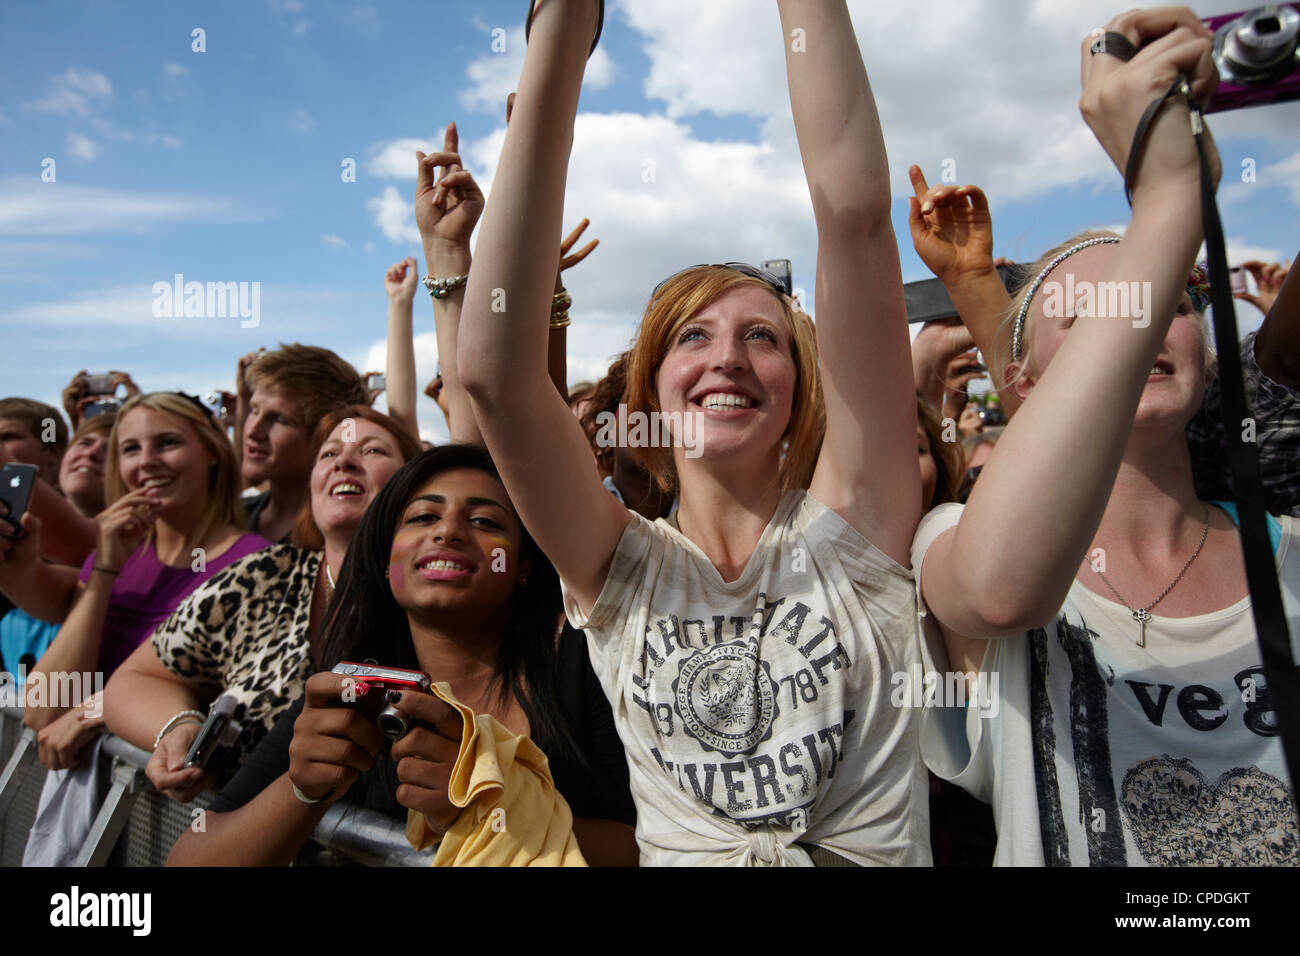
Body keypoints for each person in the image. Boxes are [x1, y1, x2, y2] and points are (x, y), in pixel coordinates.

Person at [457, 0, 926, 866]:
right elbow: (492, 369)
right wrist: (563, 29)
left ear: (801, 386)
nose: (729, 360)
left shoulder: (858, 525)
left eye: (763, 337)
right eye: (693, 337)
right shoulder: (616, 566)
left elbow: (857, 219)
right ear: (651, 389)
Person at [912, 8, 1298, 865]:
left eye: (1162, 300)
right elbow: (1003, 591)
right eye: (1087, 324)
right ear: (1028, 383)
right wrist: (1168, 201)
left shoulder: (1293, 556)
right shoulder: (954, 539)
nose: (1135, 326)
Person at [167, 445, 637, 866]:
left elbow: (662, 848)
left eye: (485, 521)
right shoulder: (351, 691)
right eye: (422, 518)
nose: (449, 531)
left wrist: (489, 805)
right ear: (386, 557)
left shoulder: (585, 663)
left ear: (523, 568)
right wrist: (302, 790)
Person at [102, 406, 420, 800]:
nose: (344, 462)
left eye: (371, 451)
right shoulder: (262, 575)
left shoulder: (438, 595)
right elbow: (135, 678)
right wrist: (179, 725)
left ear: (413, 484)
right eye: (328, 453)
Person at [22, 392, 268, 769]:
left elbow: (233, 700)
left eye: (167, 443)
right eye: (131, 449)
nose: (148, 462)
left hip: (165, 806)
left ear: (213, 451)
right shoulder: (114, 556)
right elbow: (43, 709)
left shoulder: (254, 562)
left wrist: (100, 706)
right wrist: (104, 570)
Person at [235, 344, 370, 543]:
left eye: (278, 419)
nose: (253, 430)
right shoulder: (230, 521)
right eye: (254, 410)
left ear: (324, 436)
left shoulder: (345, 539)